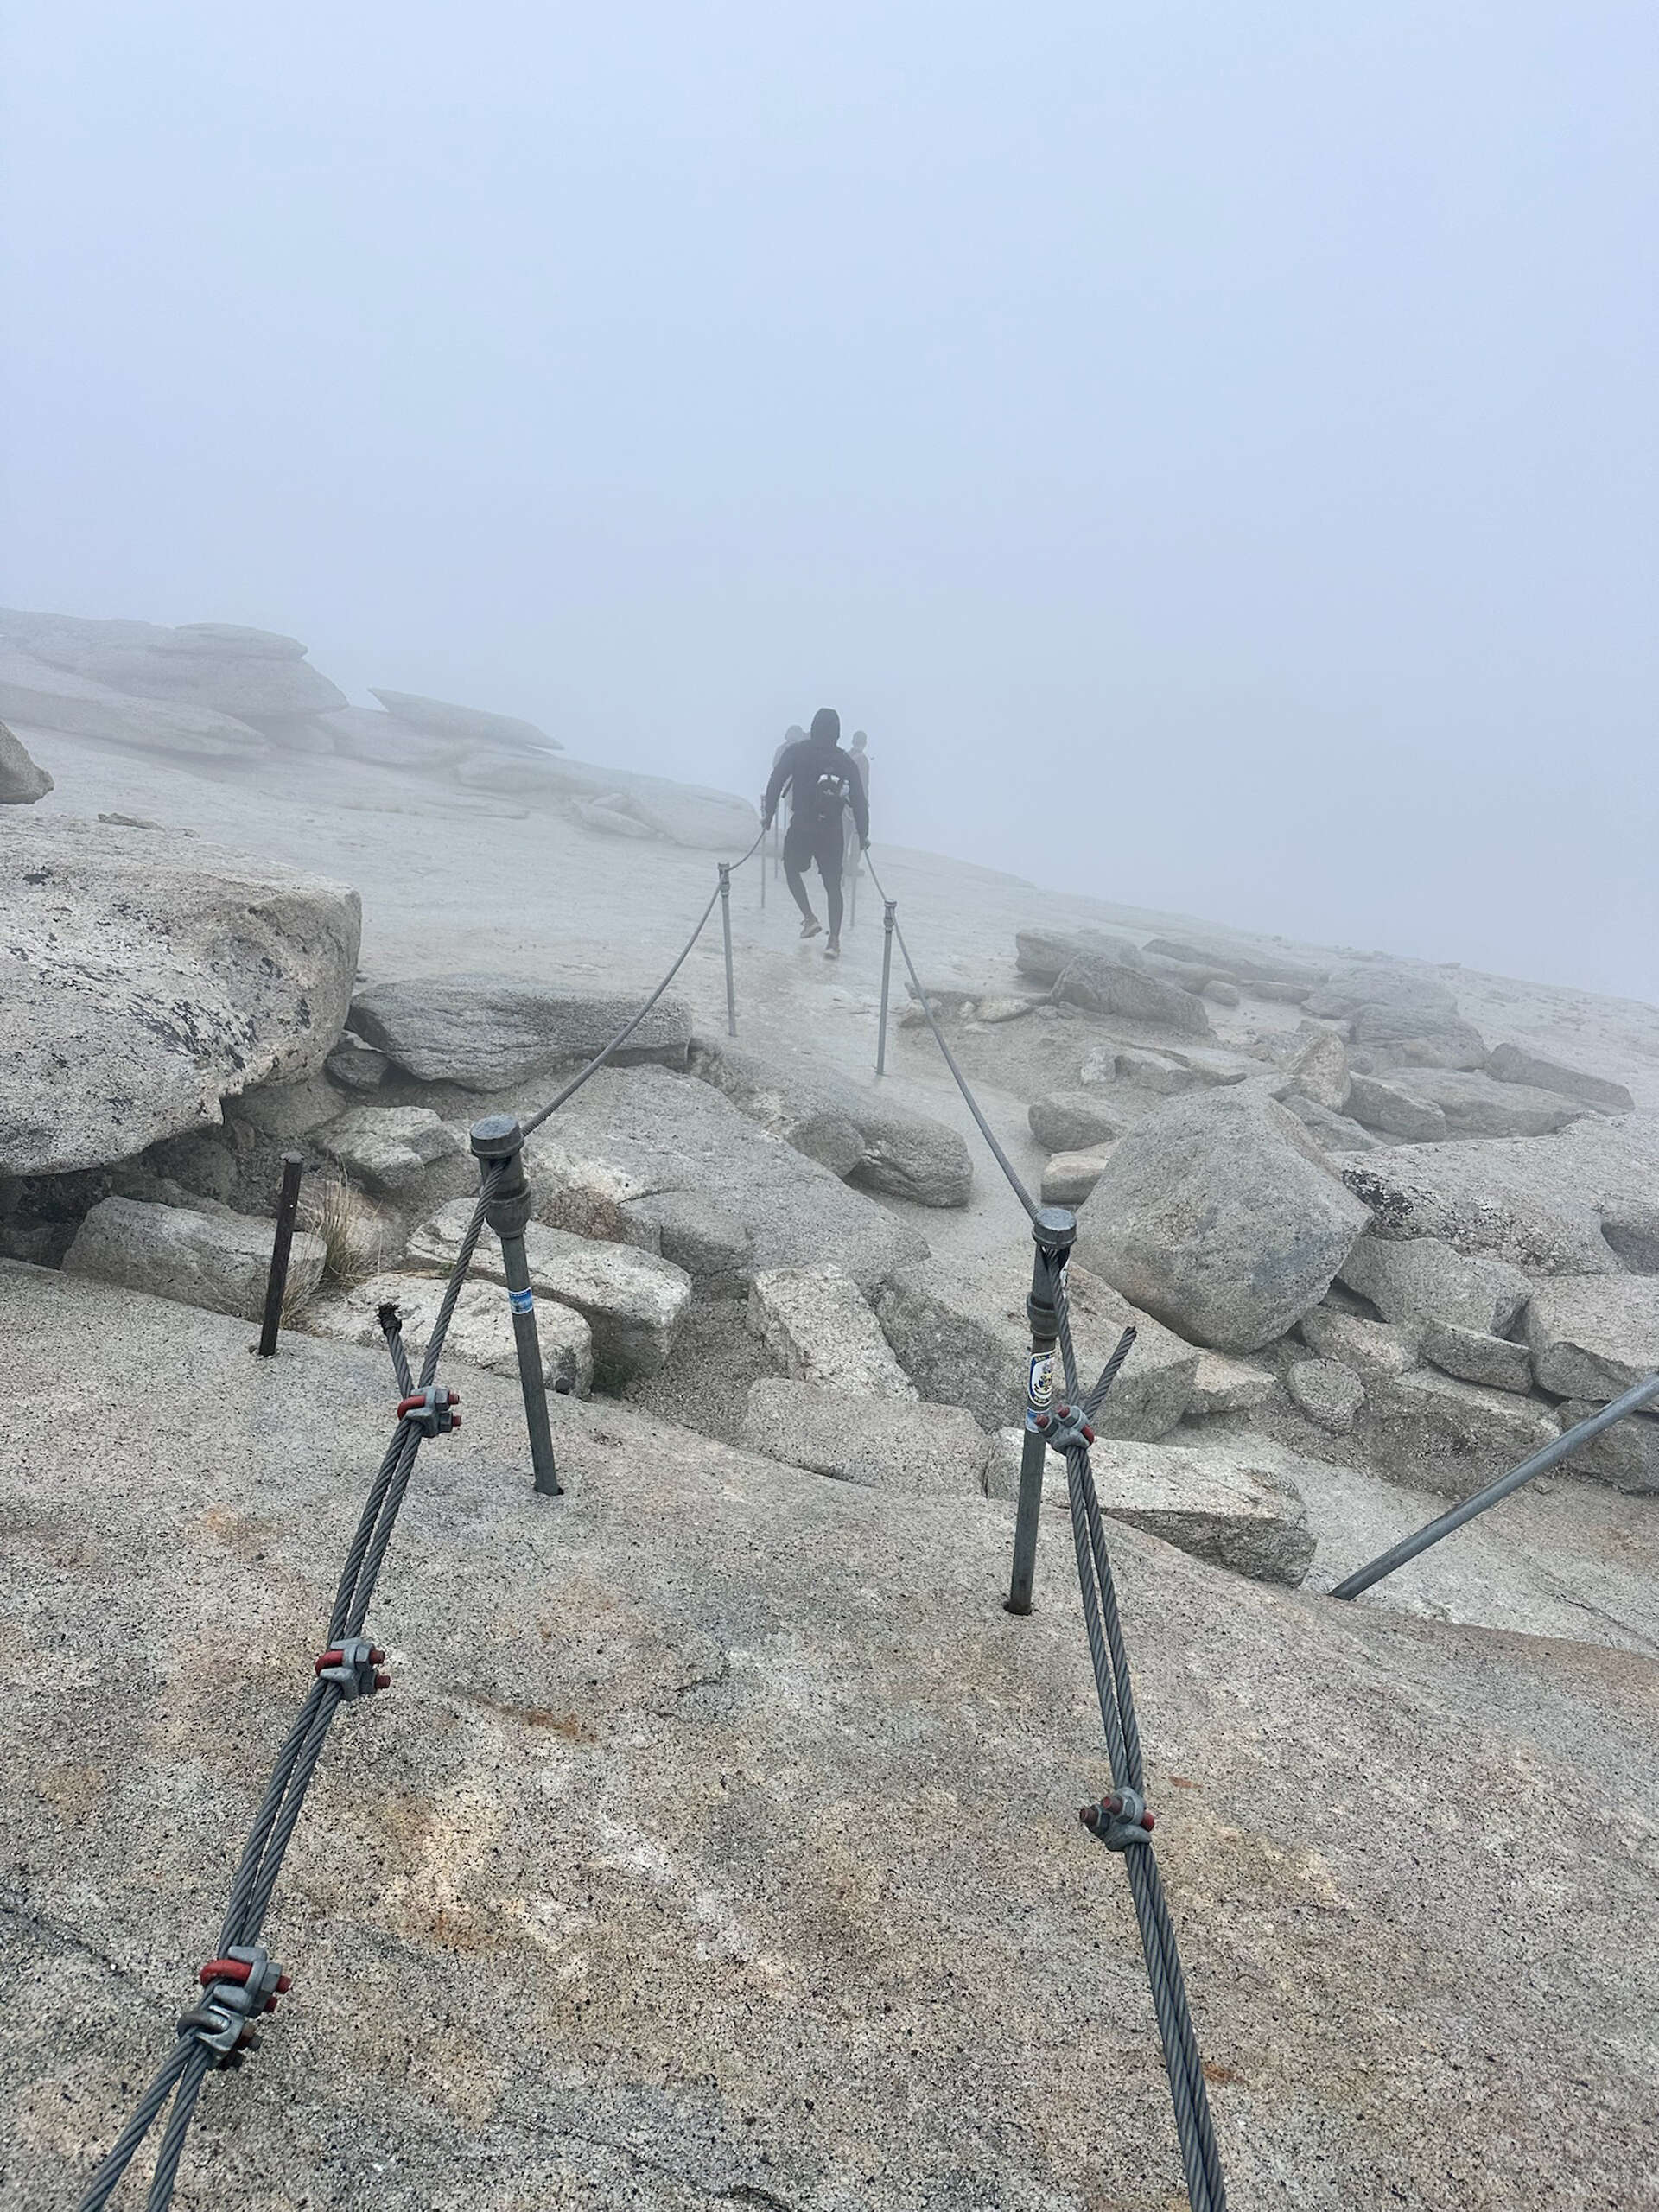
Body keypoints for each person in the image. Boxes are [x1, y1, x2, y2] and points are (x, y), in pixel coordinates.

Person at [762, 707, 868, 958]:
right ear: (838, 732)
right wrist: (863, 833)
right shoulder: (845, 761)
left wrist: (769, 814)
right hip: (832, 830)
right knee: (833, 885)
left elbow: (776, 780)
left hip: (802, 824)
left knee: (791, 867)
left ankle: (809, 918)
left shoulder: (798, 752)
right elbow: (859, 800)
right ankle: (834, 941)